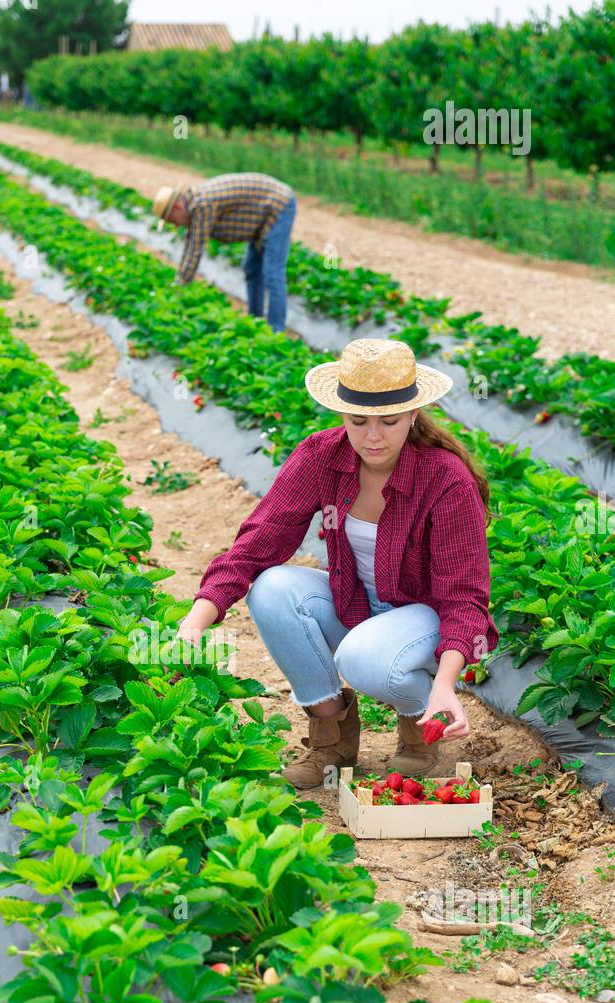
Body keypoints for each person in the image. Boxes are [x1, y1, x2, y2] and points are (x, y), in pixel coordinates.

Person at [178, 337, 499, 788]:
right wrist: (198, 618)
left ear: (412, 414)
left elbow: (464, 597)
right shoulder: (321, 456)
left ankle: (418, 720)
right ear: (341, 415)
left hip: (422, 620)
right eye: (358, 421)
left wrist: (447, 680)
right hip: (356, 606)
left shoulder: (446, 480)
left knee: (363, 656)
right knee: (271, 588)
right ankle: (332, 739)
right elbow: (259, 542)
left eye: (389, 422)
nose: (373, 436)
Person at [153, 173, 296, 332]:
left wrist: (180, 285)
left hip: (278, 206)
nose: (176, 225)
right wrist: (180, 282)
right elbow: (191, 242)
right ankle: (255, 321)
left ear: (177, 208)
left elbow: (195, 248)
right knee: (252, 268)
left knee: (272, 272)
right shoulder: (196, 204)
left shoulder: (202, 204)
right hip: (260, 216)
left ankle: (276, 331)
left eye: (173, 220)